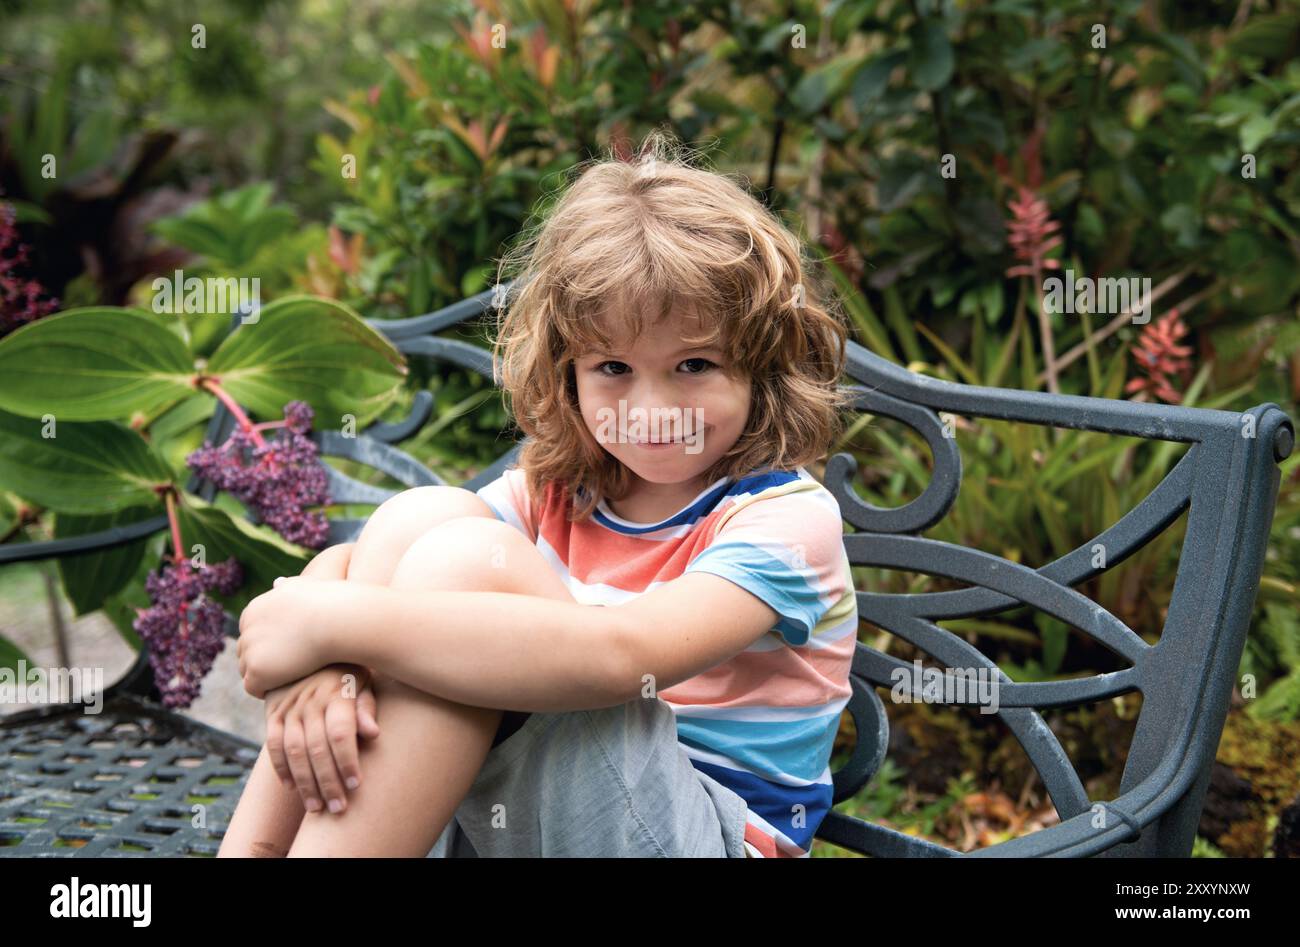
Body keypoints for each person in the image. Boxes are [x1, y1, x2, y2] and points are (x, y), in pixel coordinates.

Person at [217, 129, 859, 858]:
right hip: (552, 822)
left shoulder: (785, 520)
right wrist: (331, 671)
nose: (651, 409)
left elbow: (625, 656)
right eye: (613, 365)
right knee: (420, 518)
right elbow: (381, 556)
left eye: (694, 363)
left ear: (761, 367)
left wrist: (334, 628)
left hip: (699, 835)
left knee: (462, 564)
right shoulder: (564, 491)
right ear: (568, 372)